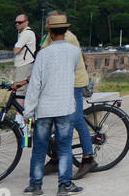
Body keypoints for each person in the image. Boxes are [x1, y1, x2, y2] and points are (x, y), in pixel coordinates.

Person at [22, 13, 83, 196]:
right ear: (65, 30)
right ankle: (65, 185)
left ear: (50, 32)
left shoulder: (43, 54)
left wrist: (28, 111)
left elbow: (35, 84)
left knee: (39, 148)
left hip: (44, 108)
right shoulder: (75, 52)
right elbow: (72, 72)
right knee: (64, 147)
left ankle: (35, 184)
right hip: (65, 106)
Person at [36, 17, 97, 180]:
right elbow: (44, 55)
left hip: (74, 81)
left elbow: (59, 61)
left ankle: (88, 158)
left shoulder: (68, 38)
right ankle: (56, 158)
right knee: (57, 116)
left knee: (75, 118)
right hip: (62, 80)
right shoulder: (50, 37)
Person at [11, 13, 36, 89]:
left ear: (26, 22)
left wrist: (18, 47)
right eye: (16, 22)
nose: (17, 24)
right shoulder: (24, 32)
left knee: (20, 89)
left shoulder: (26, 33)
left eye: (20, 22)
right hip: (26, 64)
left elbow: (15, 51)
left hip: (23, 65)